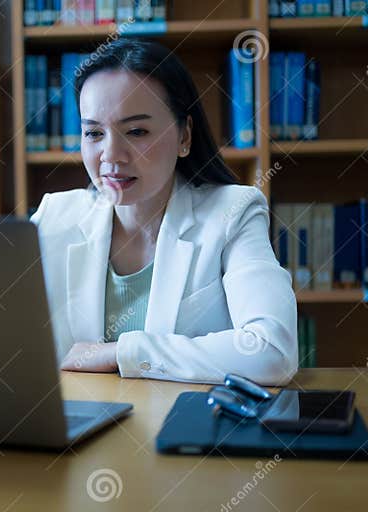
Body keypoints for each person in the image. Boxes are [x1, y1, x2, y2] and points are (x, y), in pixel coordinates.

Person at [30, 38, 298, 386]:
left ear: (185, 136)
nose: (111, 155)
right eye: (93, 132)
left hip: (188, 431)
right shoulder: (53, 217)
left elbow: (272, 351)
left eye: (136, 131)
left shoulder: (233, 212)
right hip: (83, 431)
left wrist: (121, 352)